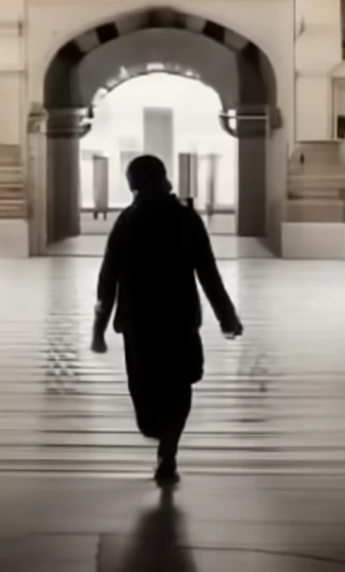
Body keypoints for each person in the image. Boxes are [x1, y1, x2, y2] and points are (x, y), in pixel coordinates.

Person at [91, 154, 242, 484]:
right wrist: (226, 317)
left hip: (139, 323)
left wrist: (99, 329)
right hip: (178, 319)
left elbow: (107, 279)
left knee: (145, 388)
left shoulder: (127, 222)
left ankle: (165, 446)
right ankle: (168, 446)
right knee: (178, 387)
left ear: (133, 184)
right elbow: (208, 273)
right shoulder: (184, 219)